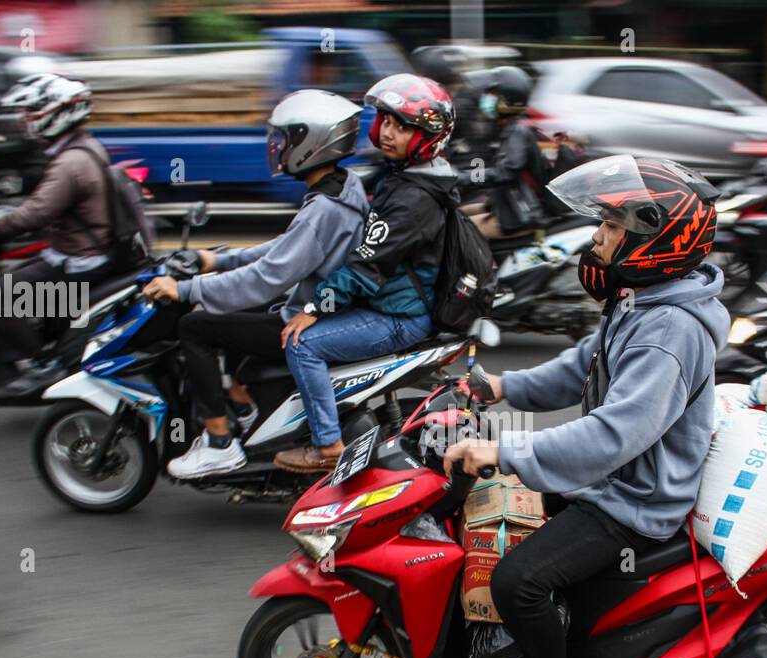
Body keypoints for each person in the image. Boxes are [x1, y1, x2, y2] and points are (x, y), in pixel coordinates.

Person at [443, 155, 730, 658]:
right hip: (610, 481)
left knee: (516, 581)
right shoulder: (642, 303)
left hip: (633, 502)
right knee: (485, 515)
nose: (596, 239)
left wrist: (506, 450)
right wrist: (500, 386)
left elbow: (614, 435)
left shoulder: (669, 330)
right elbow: (580, 367)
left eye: (610, 227)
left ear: (655, 239)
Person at [142, 90, 369, 479]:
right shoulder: (342, 186)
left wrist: (185, 290)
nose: (278, 148)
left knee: (194, 326)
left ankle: (218, 445)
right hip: (322, 308)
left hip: (311, 317)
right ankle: (246, 411)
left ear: (310, 143)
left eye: (285, 139)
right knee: (226, 311)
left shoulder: (325, 208)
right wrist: (218, 260)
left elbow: (267, 278)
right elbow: (286, 248)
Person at [272, 73, 459, 474]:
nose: (388, 132)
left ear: (425, 136)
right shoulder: (408, 176)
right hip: (393, 303)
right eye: (386, 122)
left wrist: (314, 309)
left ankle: (327, 445)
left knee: (302, 343)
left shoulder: (413, 198)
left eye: (402, 126)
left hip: (399, 316)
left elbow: (366, 266)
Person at [0, 73, 113, 399]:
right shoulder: (84, 147)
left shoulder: (71, 161)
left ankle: (43, 365)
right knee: (26, 271)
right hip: (83, 249)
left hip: (80, 259)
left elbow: (38, 211)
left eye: (32, 112)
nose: (27, 120)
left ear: (56, 113)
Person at [462, 65, 550, 241]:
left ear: (508, 100)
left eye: (492, 95)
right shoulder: (507, 127)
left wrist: (461, 178)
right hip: (507, 204)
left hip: (521, 213)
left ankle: (482, 267)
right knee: (455, 213)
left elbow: (505, 173)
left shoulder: (518, 131)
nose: (486, 99)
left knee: (459, 232)